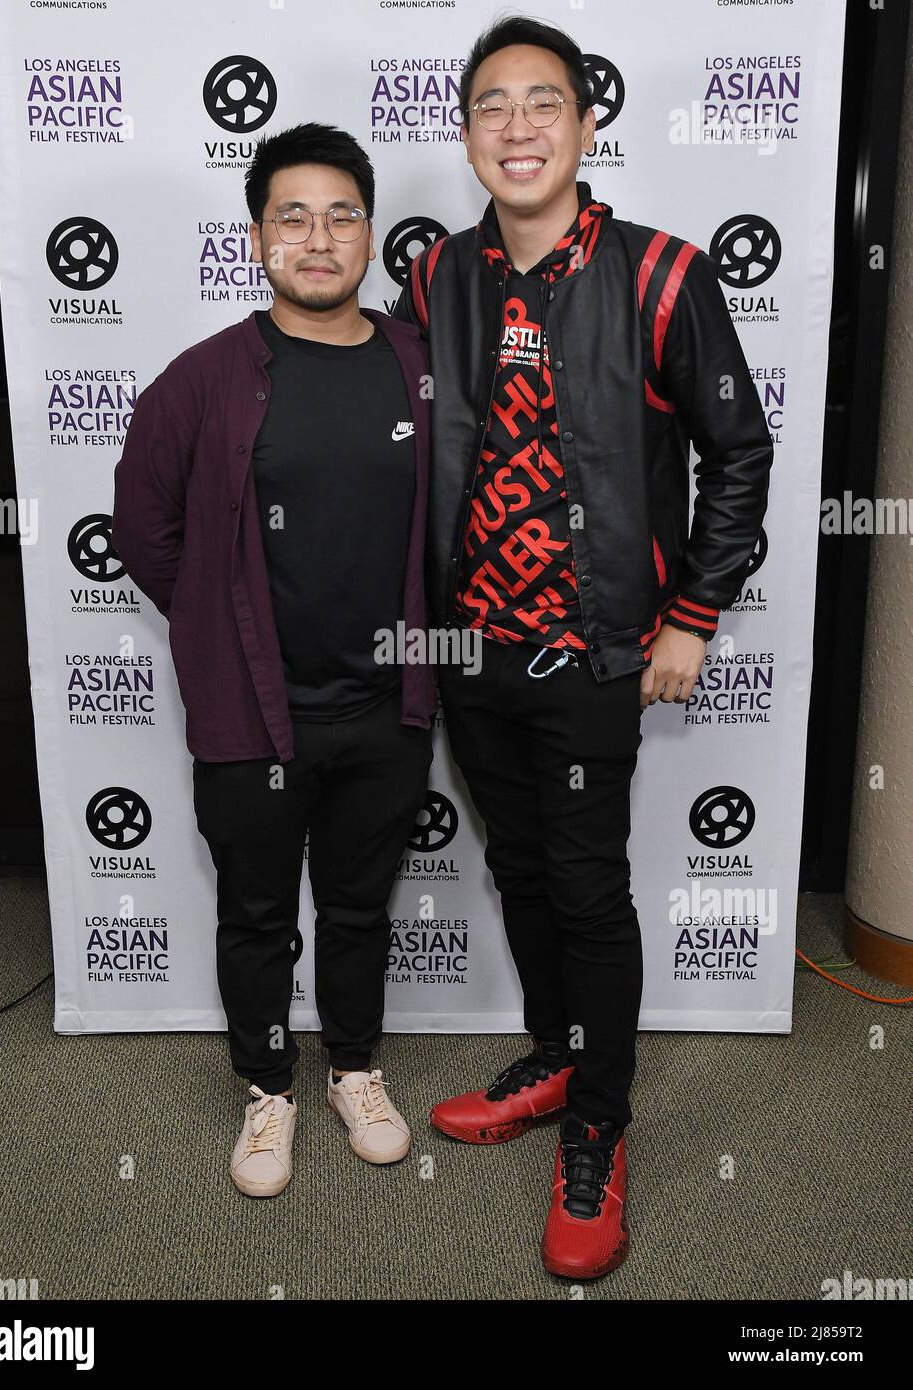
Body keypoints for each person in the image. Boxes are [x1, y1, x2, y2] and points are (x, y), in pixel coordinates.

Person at [393, 16, 772, 1279]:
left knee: (589, 888)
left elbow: (739, 454)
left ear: (584, 125)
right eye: (490, 107)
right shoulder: (440, 277)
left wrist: (692, 615)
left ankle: (598, 1130)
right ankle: (554, 1057)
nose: (516, 129)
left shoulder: (662, 275)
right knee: (518, 873)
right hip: (473, 649)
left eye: (541, 104)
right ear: (464, 134)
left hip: (596, 652)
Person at [112, 123, 435, 1198]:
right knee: (255, 912)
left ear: (369, 236)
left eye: (341, 214)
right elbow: (141, 521)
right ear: (257, 238)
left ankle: (352, 1069)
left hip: (388, 708)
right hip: (254, 714)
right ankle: (266, 1090)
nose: (318, 235)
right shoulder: (204, 380)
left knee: (356, 908)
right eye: (292, 214)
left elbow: (466, 521)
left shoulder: (419, 369)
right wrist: (211, 620)